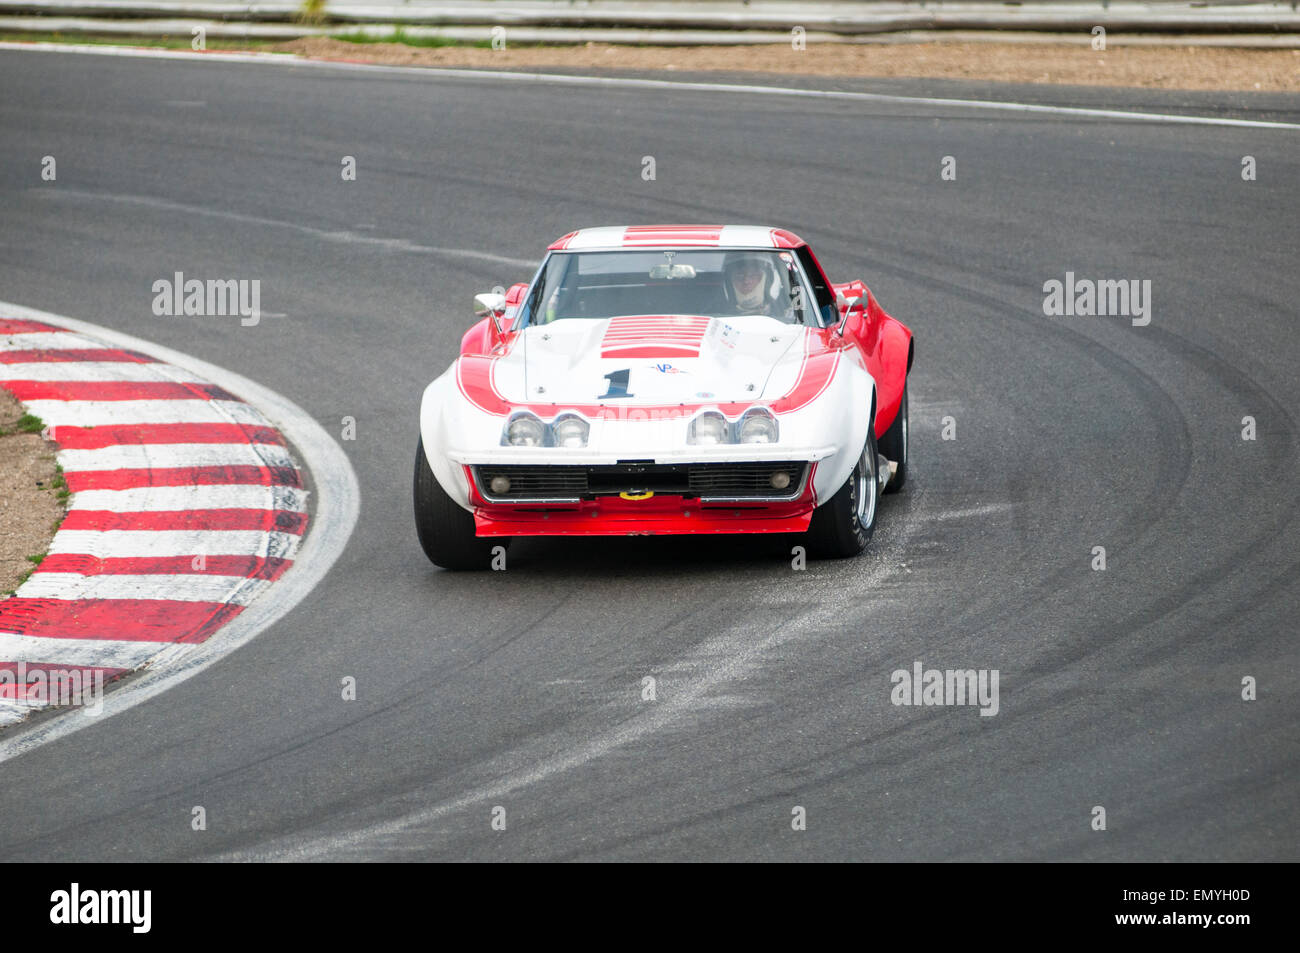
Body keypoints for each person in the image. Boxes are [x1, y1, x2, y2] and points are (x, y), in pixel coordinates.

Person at [720, 251, 792, 320]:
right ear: (728, 284)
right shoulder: (715, 313)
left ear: (770, 280)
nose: (746, 281)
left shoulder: (791, 311)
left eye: (752, 275)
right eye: (739, 276)